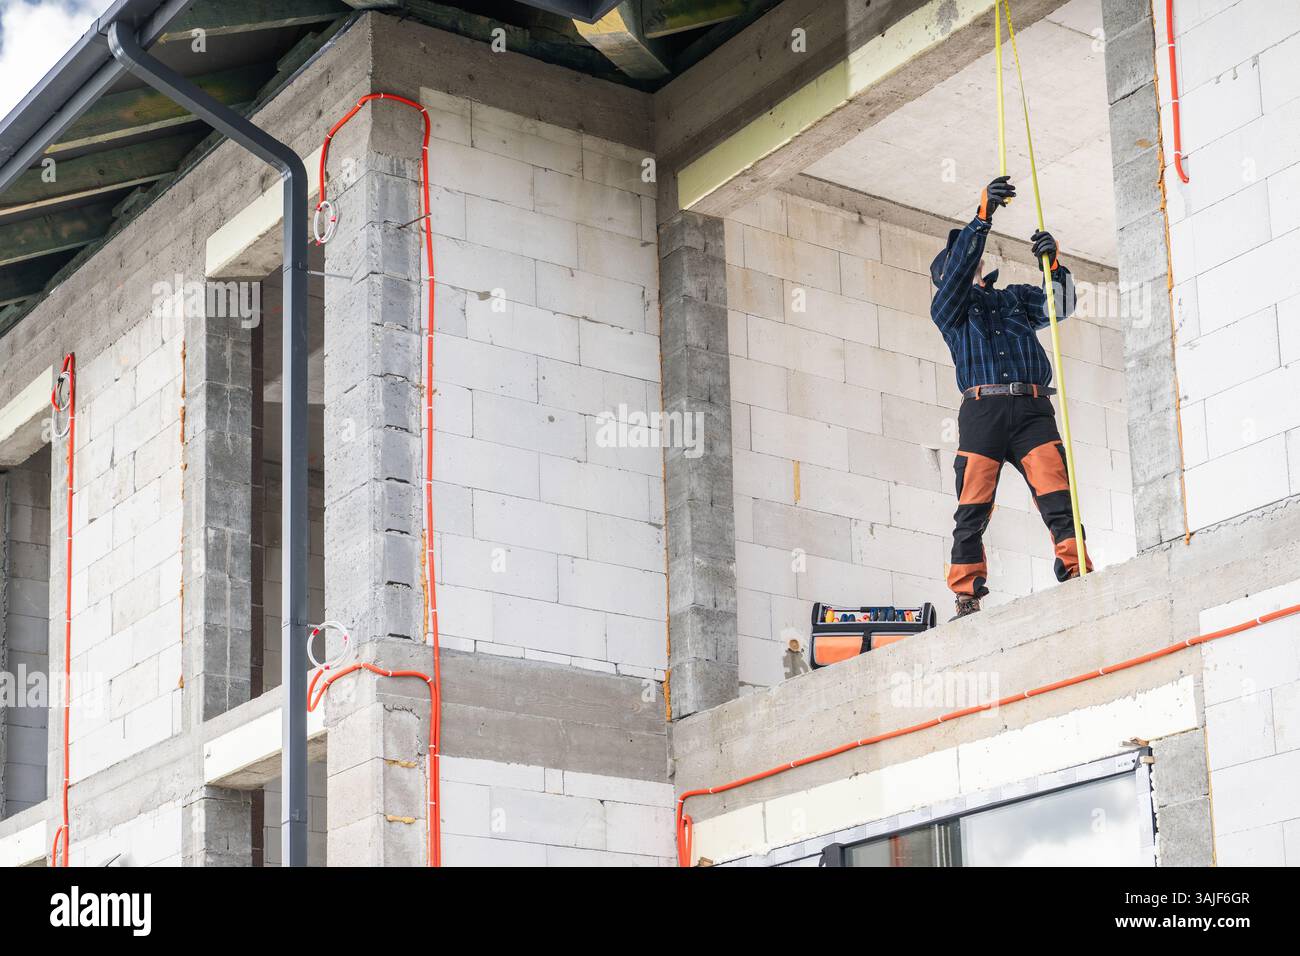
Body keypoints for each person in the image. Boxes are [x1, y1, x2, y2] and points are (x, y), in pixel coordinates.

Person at [930, 175, 1091, 620]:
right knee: (973, 506)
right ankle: (967, 593)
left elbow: (1061, 307)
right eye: (962, 261)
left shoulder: (1014, 299)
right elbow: (962, 266)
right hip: (983, 411)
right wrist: (981, 218)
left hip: (1033, 409)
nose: (972, 263)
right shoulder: (949, 309)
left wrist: (1054, 267)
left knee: (1057, 493)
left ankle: (1076, 569)